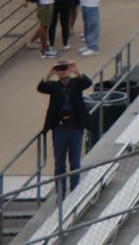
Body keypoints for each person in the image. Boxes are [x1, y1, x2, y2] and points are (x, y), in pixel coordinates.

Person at [36, 61, 91, 199]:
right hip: (59, 128)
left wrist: (76, 70)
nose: (62, 71)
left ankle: (75, 191)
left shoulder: (76, 82)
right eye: (59, 69)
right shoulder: (54, 86)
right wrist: (50, 72)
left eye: (64, 68)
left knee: (75, 162)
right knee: (60, 163)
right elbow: (40, 87)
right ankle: (60, 192)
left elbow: (88, 83)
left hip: (76, 126)